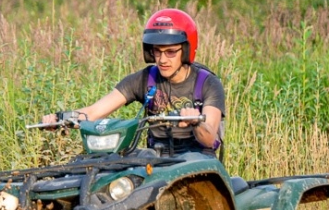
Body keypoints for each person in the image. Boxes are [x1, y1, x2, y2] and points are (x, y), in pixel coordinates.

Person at [42, 9, 225, 155]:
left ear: (186, 51)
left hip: (197, 157)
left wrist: (195, 122)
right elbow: (94, 112)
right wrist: (60, 119)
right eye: (157, 51)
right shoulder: (146, 78)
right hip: (157, 156)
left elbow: (209, 138)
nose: (162, 59)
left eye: (170, 52)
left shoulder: (207, 83)